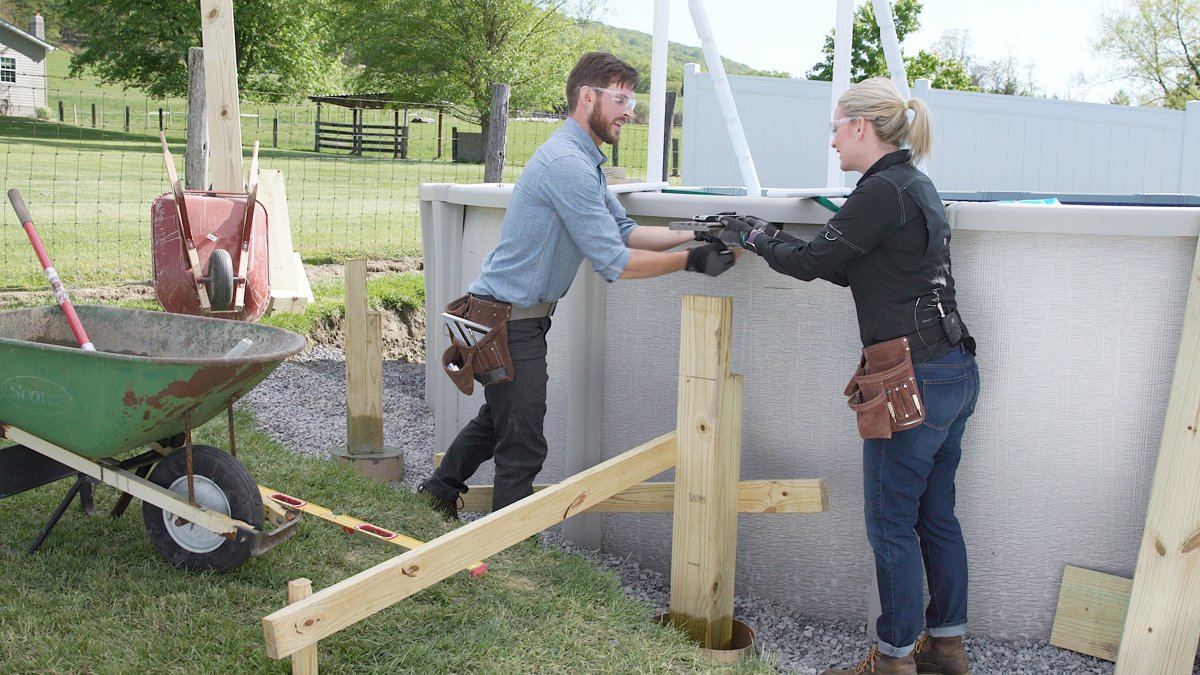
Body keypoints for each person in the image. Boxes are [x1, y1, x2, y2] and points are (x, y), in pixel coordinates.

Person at [717, 77, 978, 675]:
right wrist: (779, 240)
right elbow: (850, 266)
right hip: (953, 370)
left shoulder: (881, 190)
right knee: (936, 516)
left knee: (891, 524)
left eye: (836, 127)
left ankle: (892, 662)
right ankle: (947, 649)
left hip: (910, 378)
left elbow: (813, 263)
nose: (832, 140)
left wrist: (753, 234)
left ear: (861, 127)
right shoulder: (915, 184)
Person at [419, 51, 737, 520]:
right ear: (587, 97)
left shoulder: (582, 159)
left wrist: (701, 232)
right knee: (523, 442)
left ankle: (437, 491)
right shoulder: (567, 165)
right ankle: (512, 557)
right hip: (505, 322)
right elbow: (614, 262)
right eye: (621, 99)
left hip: (503, 317)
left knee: (502, 419)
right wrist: (692, 262)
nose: (631, 111)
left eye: (631, 99)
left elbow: (624, 230)